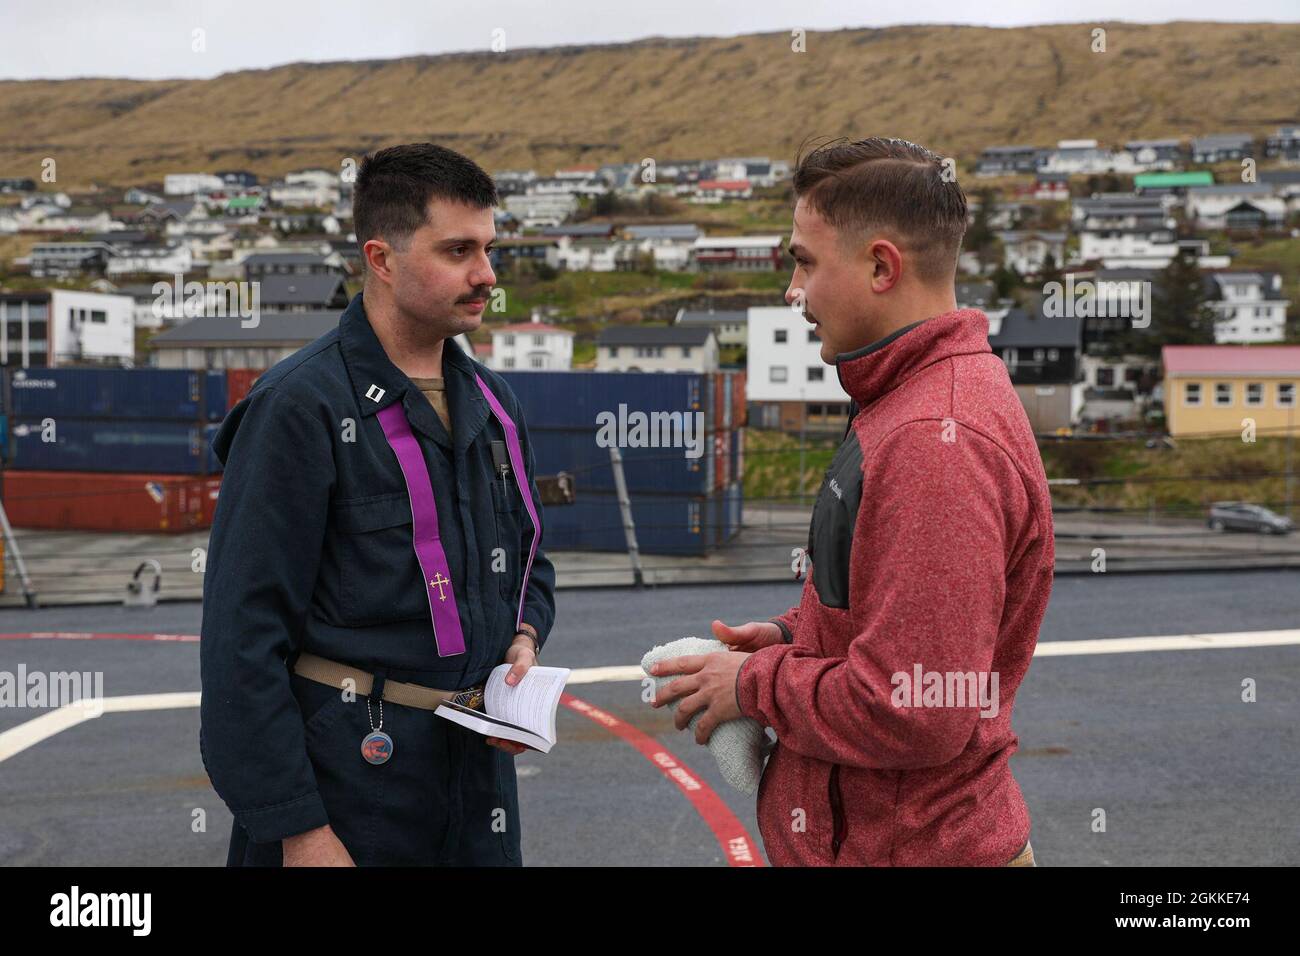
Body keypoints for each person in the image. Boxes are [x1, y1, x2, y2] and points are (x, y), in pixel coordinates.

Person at [651, 137, 1053, 866]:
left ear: (880, 266)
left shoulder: (934, 438)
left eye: (804, 262)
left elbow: (916, 708)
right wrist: (793, 637)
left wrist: (753, 684)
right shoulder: (904, 400)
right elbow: (890, 617)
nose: (792, 292)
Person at [199, 143, 556, 866]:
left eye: (489, 249)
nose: (486, 274)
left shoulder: (494, 403)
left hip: (477, 780)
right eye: (457, 251)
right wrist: (297, 828)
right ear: (382, 259)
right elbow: (241, 642)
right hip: (348, 790)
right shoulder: (297, 408)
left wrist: (524, 633)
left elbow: (526, 558)